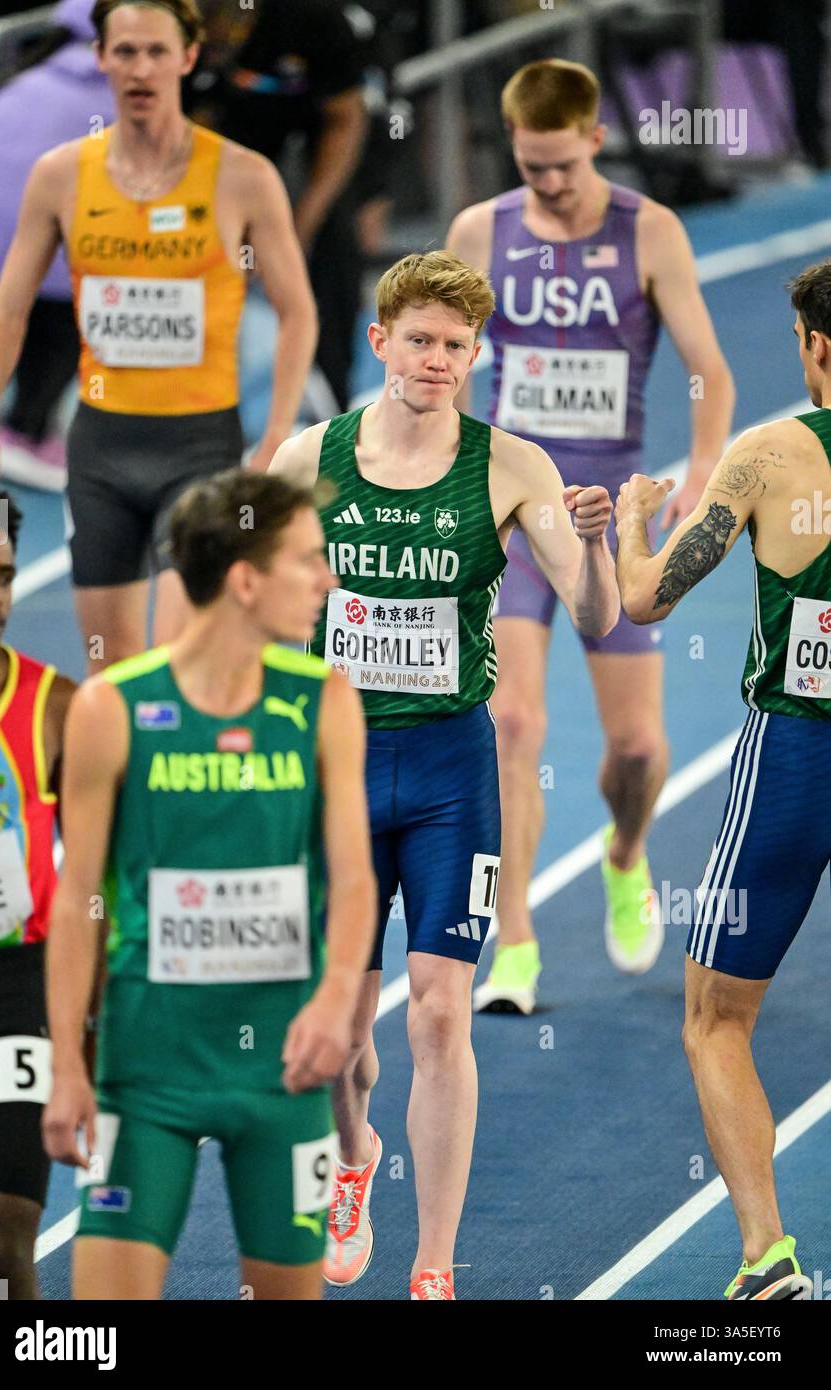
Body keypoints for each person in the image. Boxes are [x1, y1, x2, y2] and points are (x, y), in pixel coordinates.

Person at [270, 249, 620, 1298]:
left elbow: (598, 617)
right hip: (332, 765)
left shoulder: (512, 466)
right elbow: (247, 596)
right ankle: (353, 1152)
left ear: (476, 356)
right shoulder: (304, 459)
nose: (434, 360)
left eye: (454, 346)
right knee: (337, 1033)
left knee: (435, 1012)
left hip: (447, 769)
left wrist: (598, 550)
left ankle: (432, 1266)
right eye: (416, 339)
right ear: (378, 341)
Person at [42, 469, 376, 1301]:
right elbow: (76, 900)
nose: (329, 578)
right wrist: (66, 1067)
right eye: (310, 559)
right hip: (146, 1069)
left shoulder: (324, 700)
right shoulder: (112, 708)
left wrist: (338, 997)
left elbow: (355, 877)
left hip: (283, 1074)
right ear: (245, 579)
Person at [447, 58, 735, 1012]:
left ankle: (624, 853)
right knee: (513, 724)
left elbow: (709, 369)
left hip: (608, 516)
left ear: (596, 139)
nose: (550, 184)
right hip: (514, 509)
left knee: (640, 749)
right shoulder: (478, 233)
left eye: (564, 165)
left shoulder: (648, 231)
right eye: (532, 167)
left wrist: (702, 471)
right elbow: (439, 357)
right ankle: (517, 944)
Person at [0, 0, 317, 674]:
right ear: (100, 58)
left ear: (188, 58)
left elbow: (299, 310)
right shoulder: (61, 175)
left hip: (200, 453)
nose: (140, 69)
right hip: (101, 453)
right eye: (124, 52)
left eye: (157, 52)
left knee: (183, 663)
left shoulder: (243, 177)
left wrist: (277, 434)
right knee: (113, 670)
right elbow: (8, 308)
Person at [612, 259, 831, 1301]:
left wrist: (628, 519)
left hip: (793, 757)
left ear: (812, 347)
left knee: (714, 1015)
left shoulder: (768, 455)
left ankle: (765, 1256)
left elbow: (644, 601)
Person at [0, 479, 76, 1299]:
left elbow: (102, 884)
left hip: (12, 997)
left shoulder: (54, 708)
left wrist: (89, 1026)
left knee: (5, 1253)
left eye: (3, 576)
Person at [0, 0, 116, 493]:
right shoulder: (125, 98)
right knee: (71, 323)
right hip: (42, 253)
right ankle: (24, 431)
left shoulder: (23, 79)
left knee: (23, 318)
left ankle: (15, 420)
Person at [215, 0, 369, 414]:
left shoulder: (313, 18)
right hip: (221, 144)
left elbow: (345, 120)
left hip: (310, 148)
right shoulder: (169, 23)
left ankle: (335, 417)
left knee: (326, 258)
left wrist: (300, 229)